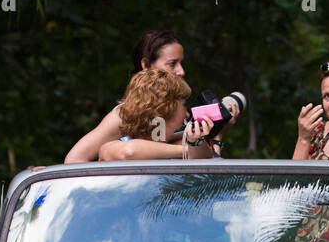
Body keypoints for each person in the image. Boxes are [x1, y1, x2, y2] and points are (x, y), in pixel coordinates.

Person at [65, 29, 237, 162]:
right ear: (146, 64)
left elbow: (207, 165)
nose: (181, 71)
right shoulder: (126, 116)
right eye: (172, 64)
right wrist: (188, 148)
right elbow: (76, 160)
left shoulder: (175, 117)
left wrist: (214, 136)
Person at [98, 70, 215, 161]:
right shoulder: (114, 146)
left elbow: (205, 158)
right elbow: (129, 151)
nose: (187, 114)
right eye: (184, 105)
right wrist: (186, 150)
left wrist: (195, 142)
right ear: (165, 110)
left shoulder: (179, 143)